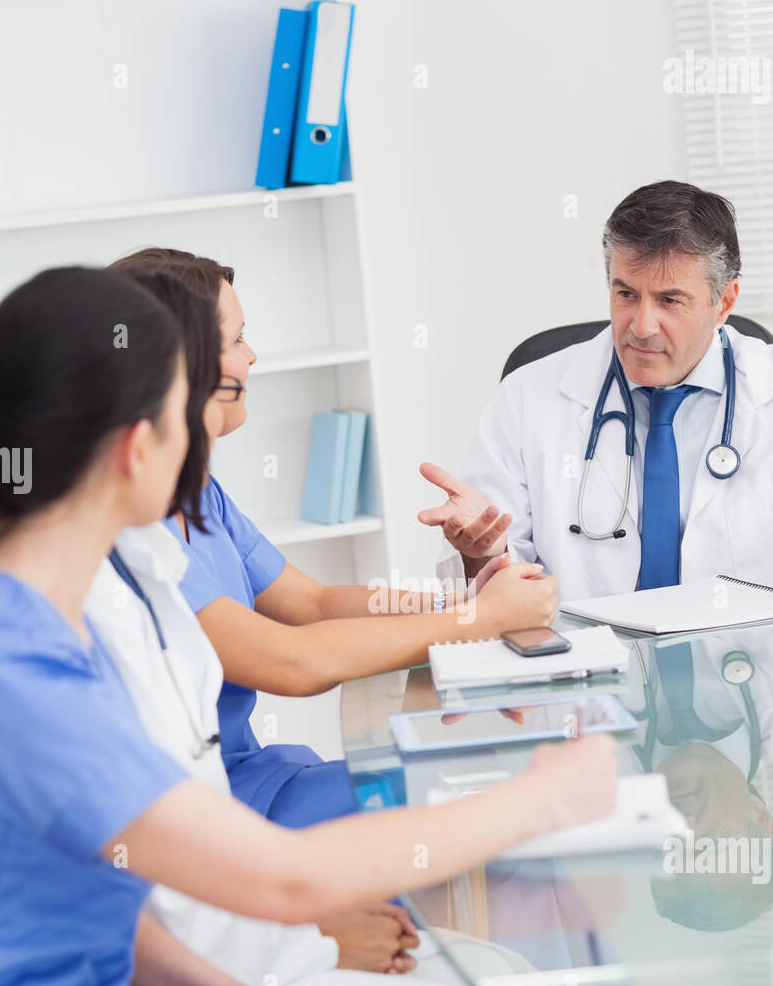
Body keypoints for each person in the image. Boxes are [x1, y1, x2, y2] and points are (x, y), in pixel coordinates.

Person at [0, 266, 616, 986]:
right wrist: (544, 794)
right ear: (136, 446)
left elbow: (91, 899)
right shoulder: (20, 656)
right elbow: (280, 879)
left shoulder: (69, 605)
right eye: (187, 403)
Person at [108, 247, 558, 827]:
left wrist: (464, 604)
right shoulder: (132, 524)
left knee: (470, 788)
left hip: (242, 777)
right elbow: (293, 662)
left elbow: (311, 604)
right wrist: (477, 624)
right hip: (195, 814)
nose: (252, 356)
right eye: (238, 340)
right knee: (471, 807)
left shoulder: (198, 495)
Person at [419, 180, 773, 598]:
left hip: (746, 659)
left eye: (669, 300)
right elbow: (487, 588)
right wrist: (485, 554)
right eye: (626, 294)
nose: (642, 327)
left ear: (724, 302)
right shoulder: (525, 398)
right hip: (583, 657)